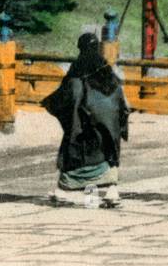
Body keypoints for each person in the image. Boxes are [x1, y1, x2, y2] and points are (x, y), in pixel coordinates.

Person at [42, 33, 128, 207]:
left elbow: (68, 97)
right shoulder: (108, 73)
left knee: (74, 148)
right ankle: (112, 191)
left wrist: (49, 103)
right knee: (108, 150)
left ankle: (63, 191)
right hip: (109, 126)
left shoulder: (77, 73)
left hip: (84, 126)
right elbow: (121, 103)